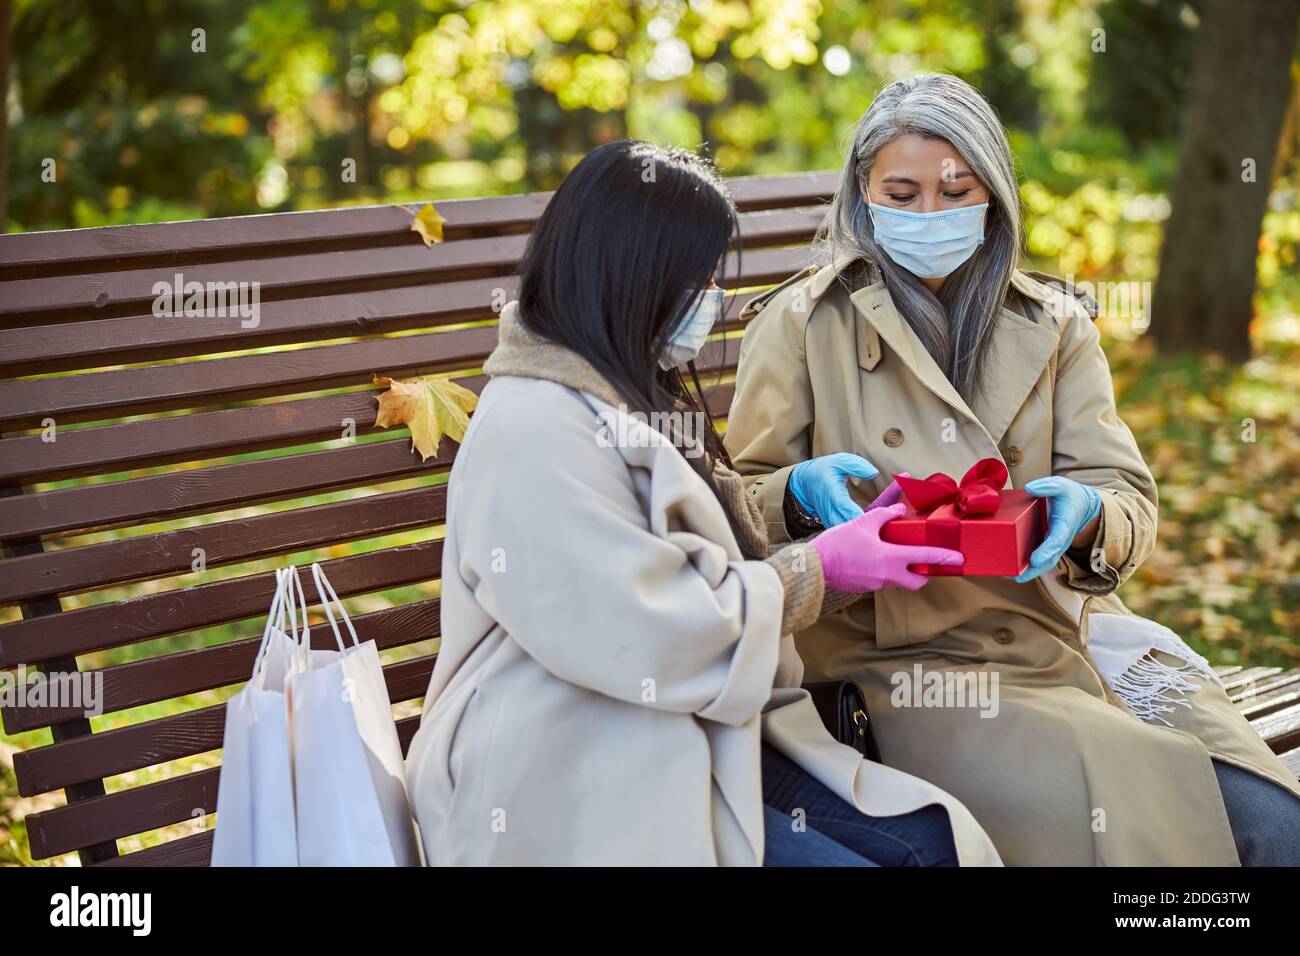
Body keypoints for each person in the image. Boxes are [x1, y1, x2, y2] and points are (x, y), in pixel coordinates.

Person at [724, 72, 1300, 866]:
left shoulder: (1054, 324)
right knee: (1140, 807)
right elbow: (732, 508)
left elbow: (1125, 494)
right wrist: (796, 498)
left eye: (957, 190)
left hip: (1066, 640)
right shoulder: (800, 323)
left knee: (1278, 829)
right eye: (903, 191)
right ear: (863, 195)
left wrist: (1089, 515)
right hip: (901, 671)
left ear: (992, 194)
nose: (931, 214)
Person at [405, 139, 1002, 866]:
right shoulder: (533, 427)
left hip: (682, 726)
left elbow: (697, 569)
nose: (712, 300)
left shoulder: (622, 390)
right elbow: (656, 628)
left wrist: (842, 538)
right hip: (569, 763)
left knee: (934, 847)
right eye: (699, 278)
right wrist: (825, 570)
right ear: (630, 276)